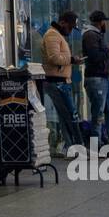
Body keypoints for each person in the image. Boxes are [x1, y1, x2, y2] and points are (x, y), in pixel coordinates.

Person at [41, 11, 83, 152]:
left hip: (61, 81)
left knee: (67, 116)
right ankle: (77, 147)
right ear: (63, 22)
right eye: (70, 27)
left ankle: (71, 147)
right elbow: (54, 58)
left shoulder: (57, 35)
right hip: (56, 82)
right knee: (71, 116)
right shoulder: (52, 35)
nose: (70, 30)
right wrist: (72, 59)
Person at [81, 10, 109, 150]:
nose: (105, 25)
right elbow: (95, 56)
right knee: (99, 113)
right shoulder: (90, 35)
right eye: (104, 22)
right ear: (100, 22)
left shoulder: (96, 35)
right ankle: (95, 145)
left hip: (105, 78)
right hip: (97, 79)